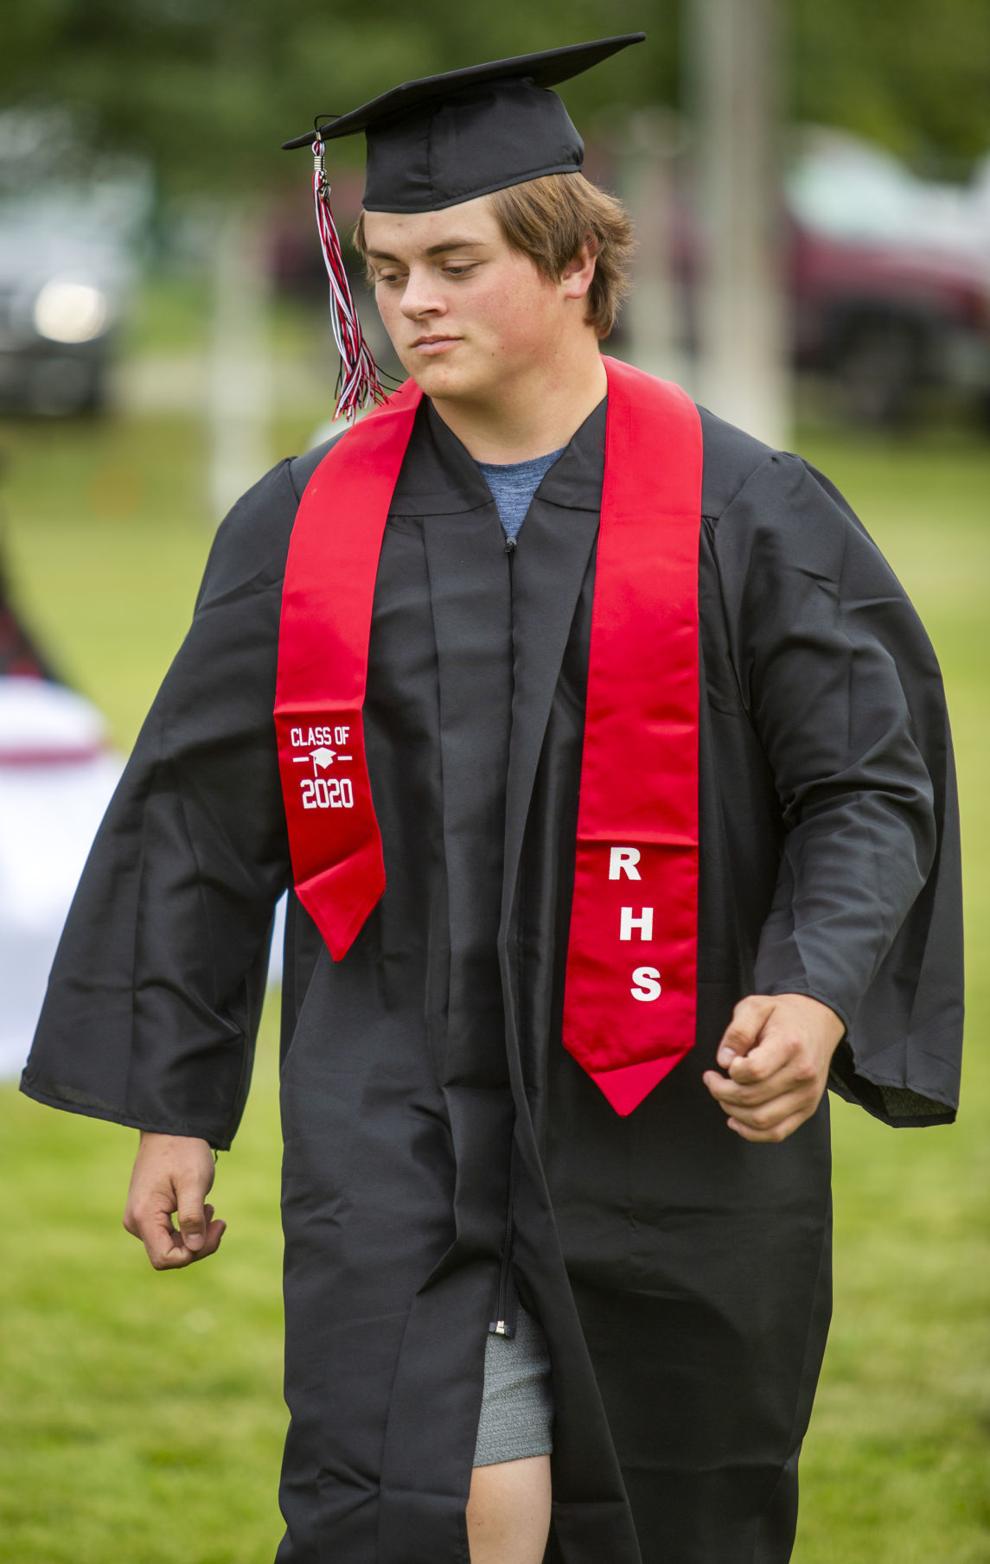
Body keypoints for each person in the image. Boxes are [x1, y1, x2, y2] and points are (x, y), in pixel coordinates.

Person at [20, 33, 964, 1564]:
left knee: (665, 1502)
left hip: (666, 1106)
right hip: (391, 1102)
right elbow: (199, 821)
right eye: (388, 270)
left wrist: (815, 990)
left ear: (575, 264)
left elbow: (865, 784)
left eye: (452, 263)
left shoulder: (750, 512)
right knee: (426, 1502)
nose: (410, 306)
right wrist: (175, 1106)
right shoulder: (304, 524)